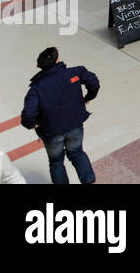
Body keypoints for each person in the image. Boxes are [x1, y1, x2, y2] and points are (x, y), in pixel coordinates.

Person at [20, 47, 99, 185]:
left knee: (56, 162)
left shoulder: (36, 89)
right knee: (77, 153)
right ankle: (89, 181)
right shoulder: (76, 72)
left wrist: (32, 124)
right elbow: (94, 83)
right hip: (75, 125)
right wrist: (88, 98)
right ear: (58, 60)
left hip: (51, 132)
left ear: (38, 66)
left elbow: (28, 115)